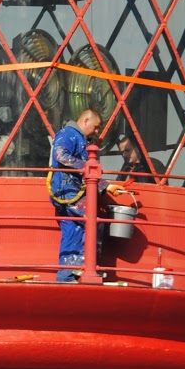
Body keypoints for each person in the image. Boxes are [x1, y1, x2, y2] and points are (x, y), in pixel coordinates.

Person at [48, 107, 103, 282]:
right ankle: (88, 267)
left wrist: (105, 185)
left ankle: (66, 275)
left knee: (73, 229)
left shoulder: (72, 135)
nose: (96, 132)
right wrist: (86, 166)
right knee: (93, 219)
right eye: (95, 127)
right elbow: (60, 155)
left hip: (63, 190)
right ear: (86, 121)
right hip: (67, 191)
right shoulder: (70, 134)